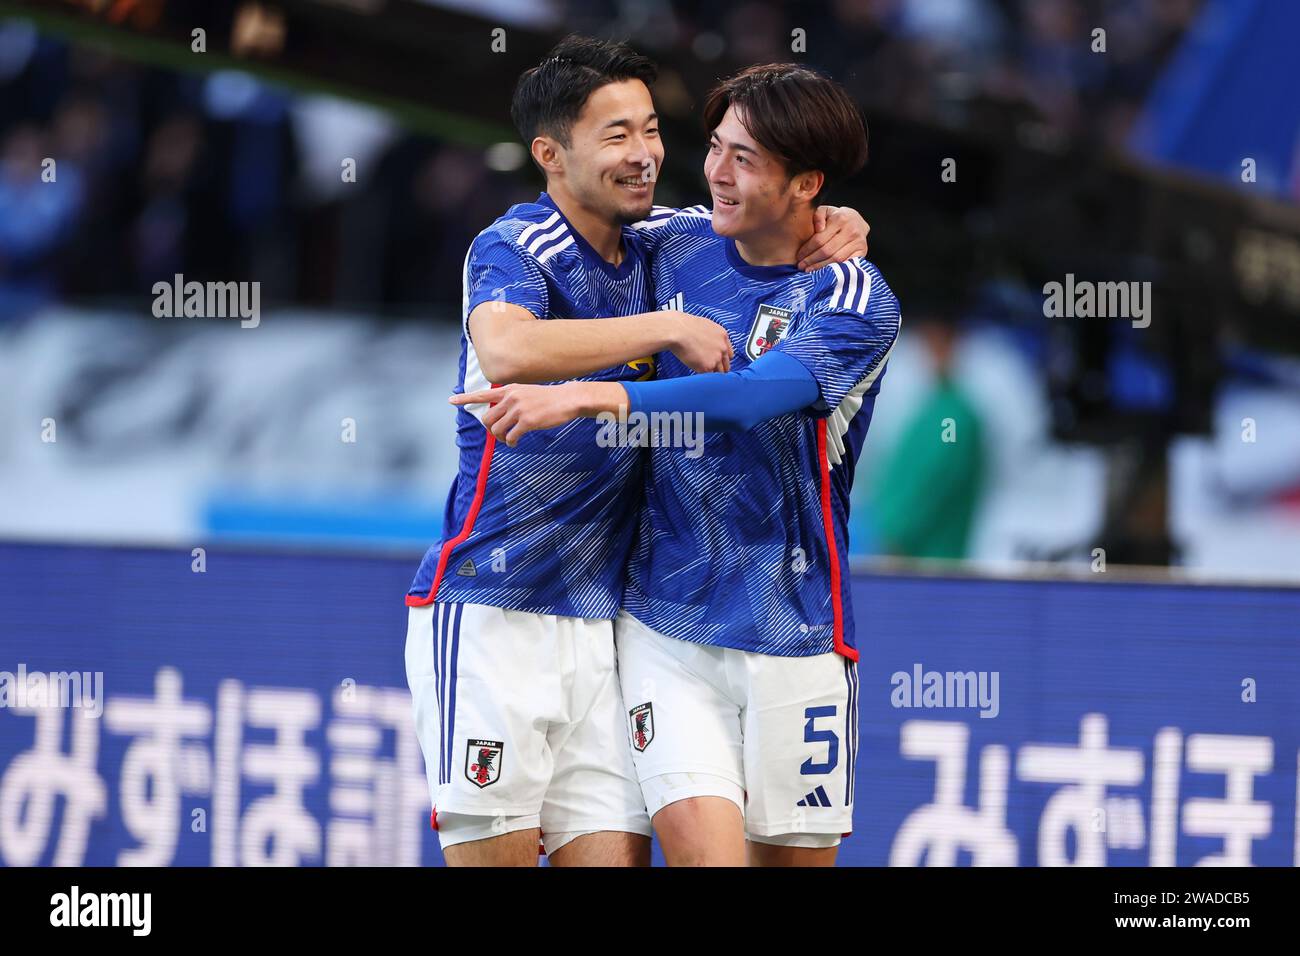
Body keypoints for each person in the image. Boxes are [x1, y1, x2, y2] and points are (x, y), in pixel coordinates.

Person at [407, 38, 870, 866]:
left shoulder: (666, 243)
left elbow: (755, 242)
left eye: (652, 129)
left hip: (609, 626)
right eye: (617, 134)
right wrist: (665, 328)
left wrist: (836, 218)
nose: (648, 154)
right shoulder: (515, 246)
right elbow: (508, 353)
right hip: (497, 608)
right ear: (551, 153)